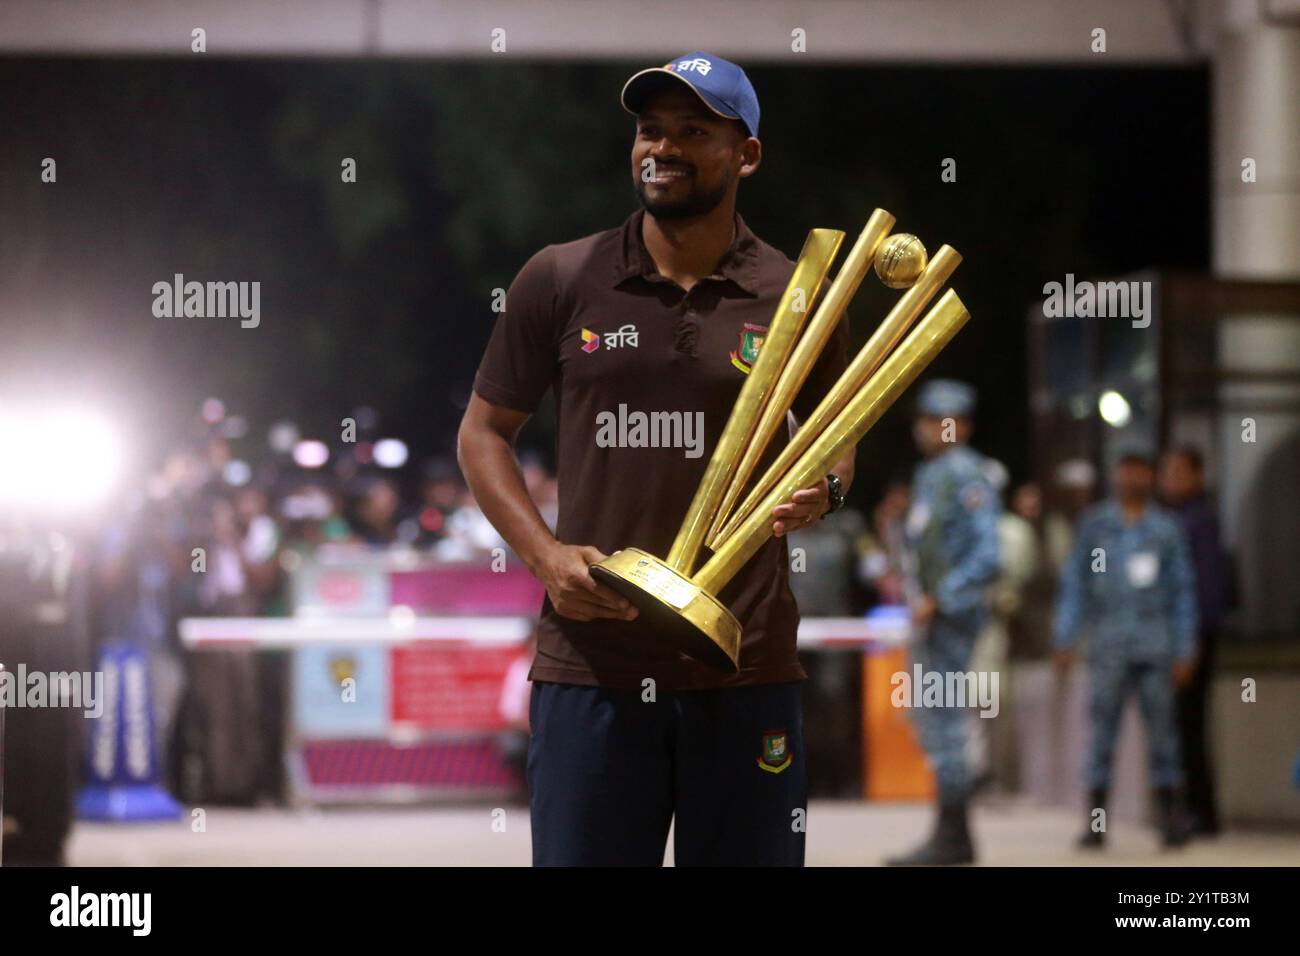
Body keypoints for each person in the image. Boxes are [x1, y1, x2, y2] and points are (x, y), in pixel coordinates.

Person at [457, 50, 854, 866]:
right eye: (649, 130)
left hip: (745, 667)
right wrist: (545, 556)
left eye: (693, 132)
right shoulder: (561, 276)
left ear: (746, 154)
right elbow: (483, 433)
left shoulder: (799, 295)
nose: (662, 148)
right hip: (592, 666)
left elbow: (839, 443)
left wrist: (827, 487)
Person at [1054, 451, 1198, 849]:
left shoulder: (1165, 528)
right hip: (1109, 645)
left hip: (1155, 645)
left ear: (1149, 477)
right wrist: (1065, 637)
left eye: (1139, 471)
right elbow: (1076, 585)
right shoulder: (1096, 525)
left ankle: (1171, 820)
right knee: (1101, 735)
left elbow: (1182, 591)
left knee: (1164, 737)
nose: (1131, 478)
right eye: (1126, 471)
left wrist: (1185, 648)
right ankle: (1096, 824)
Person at [886, 379, 1000, 865]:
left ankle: (952, 837)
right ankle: (954, 834)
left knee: (947, 722)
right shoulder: (931, 476)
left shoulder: (968, 475)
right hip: (929, 618)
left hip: (951, 618)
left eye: (941, 420)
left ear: (962, 426)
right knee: (931, 720)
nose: (929, 428)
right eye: (926, 419)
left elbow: (988, 554)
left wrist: (941, 596)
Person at [1158, 444, 1226, 836]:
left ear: (1198, 476)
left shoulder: (1198, 521)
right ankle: (1191, 810)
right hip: (1180, 636)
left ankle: (1201, 813)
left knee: (1190, 725)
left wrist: (1193, 643)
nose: (1171, 480)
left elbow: (1207, 588)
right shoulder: (1174, 519)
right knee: (1180, 727)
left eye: (1179, 472)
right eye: (1168, 472)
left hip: (1194, 637)